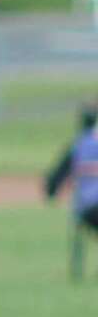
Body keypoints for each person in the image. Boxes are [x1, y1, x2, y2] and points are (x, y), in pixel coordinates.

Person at [45, 107, 98, 276]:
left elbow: (56, 177)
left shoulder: (77, 146)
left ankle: (77, 270)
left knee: (82, 224)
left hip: (85, 208)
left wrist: (51, 192)